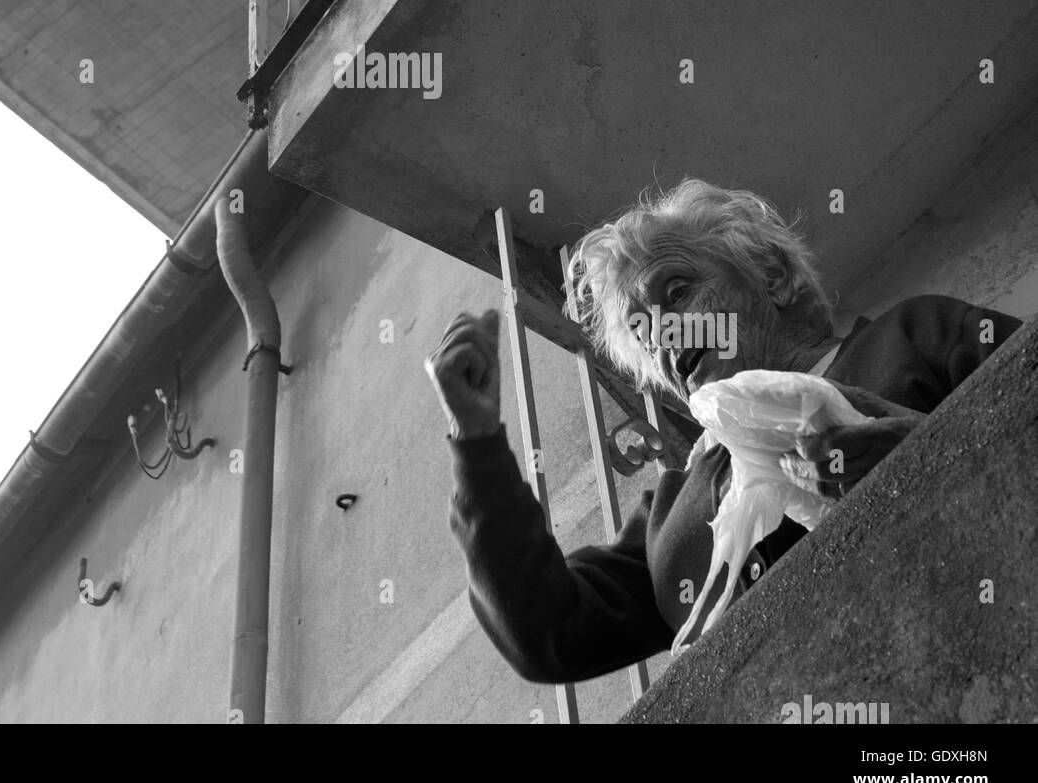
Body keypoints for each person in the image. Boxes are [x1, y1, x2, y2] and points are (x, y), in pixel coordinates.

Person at [425, 180, 1022, 682]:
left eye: (678, 292)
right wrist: (477, 444)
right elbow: (548, 633)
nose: (663, 334)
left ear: (773, 276)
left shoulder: (915, 334)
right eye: (641, 330)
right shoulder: (668, 510)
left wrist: (926, 454)